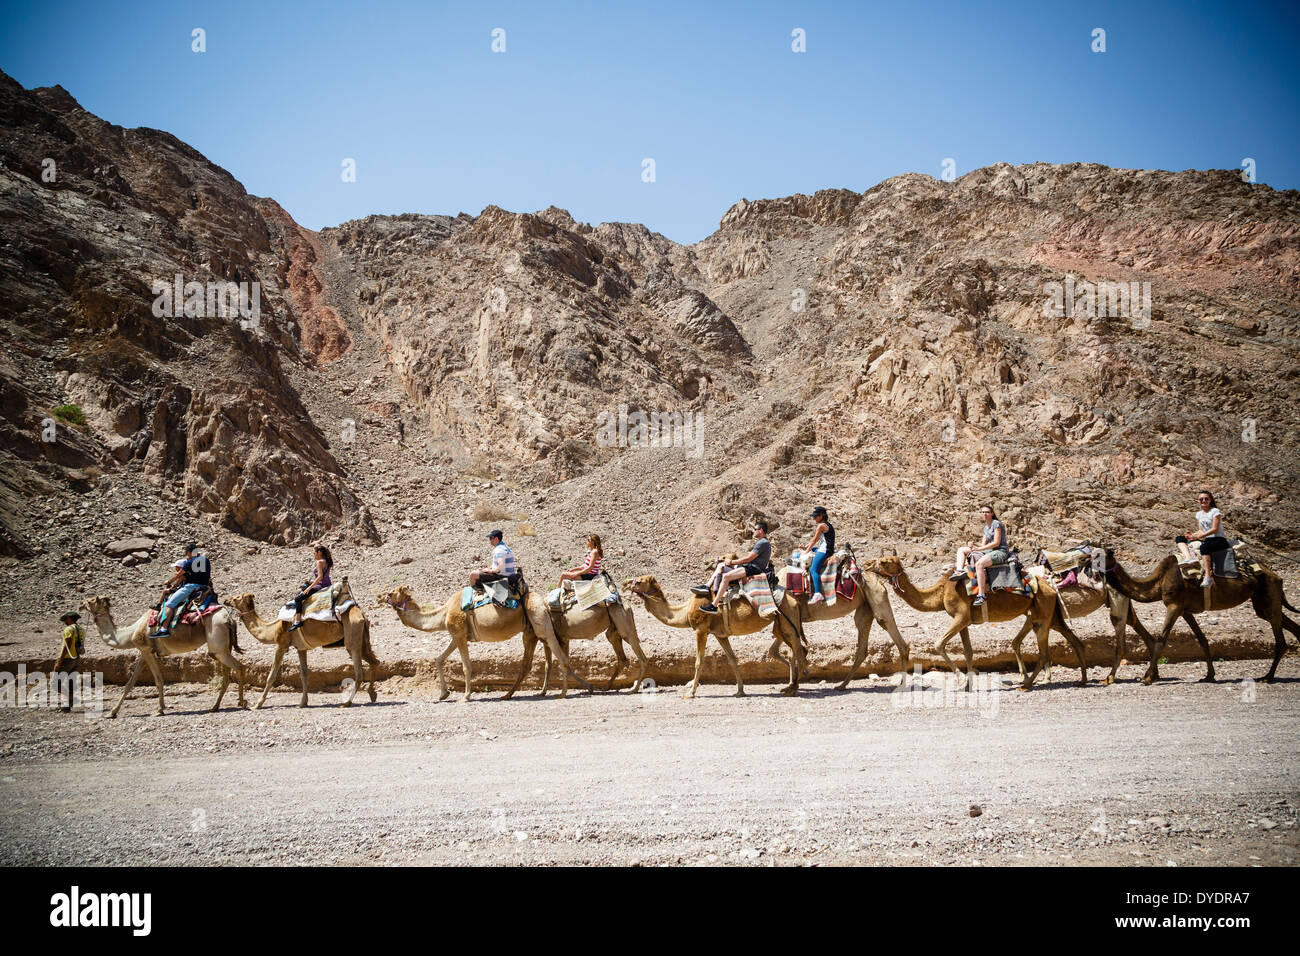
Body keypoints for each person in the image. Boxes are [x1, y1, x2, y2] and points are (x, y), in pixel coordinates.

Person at [700, 521, 773, 614]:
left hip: (753, 569)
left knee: (726, 577)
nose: (753, 531)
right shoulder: (763, 542)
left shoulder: (762, 543)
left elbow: (748, 559)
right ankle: (706, 586)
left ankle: (714, 605)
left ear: (761, 530)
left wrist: (731, 562)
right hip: (750, 566)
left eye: (755, 529)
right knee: (721, 565)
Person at [150, 543, 211, 639]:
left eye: (187, 553)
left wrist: (168, 581)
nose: (187, 555)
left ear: (190, 553)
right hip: (205, 586)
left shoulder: (189, 562)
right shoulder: (206, 560)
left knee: (170, 604)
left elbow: (178, 575)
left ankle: (163, 629)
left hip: (191, 586)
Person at [954, 506, 1009, 607]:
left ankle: (981, 595)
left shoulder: (996, 524)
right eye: (983, 512)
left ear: (992, 513)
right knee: (962, 550)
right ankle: (959, 570)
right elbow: (983, 545)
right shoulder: (985, 527)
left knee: (980, 564)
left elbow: (996, 543)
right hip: (989, 550)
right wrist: (974, 545)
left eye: (987, 512)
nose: (985, 514)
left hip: (1000, 551)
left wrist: (979, 549)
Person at [1176, 490, 1229, 588]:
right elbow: (1201, 530)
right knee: (1180, 538)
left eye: (1206, 498)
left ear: (1210, 500)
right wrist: (1192, 535)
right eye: (1201, 499)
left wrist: (1200, 536)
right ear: (1198, 501)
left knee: (1204, 547)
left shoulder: (1215, 512)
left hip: (1218, 539)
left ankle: (1208, 577)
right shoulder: (1199, 514)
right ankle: (1189, 558)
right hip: (1207, 539)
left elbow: (1215, 529)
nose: (1203, 500)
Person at [288, 545, 334, 631]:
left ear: (319, 553)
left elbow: (320, 577)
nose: (314, 555)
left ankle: (298, 621)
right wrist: (311, 582)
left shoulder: (319, 562)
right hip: (327, 584)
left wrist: (310, 588)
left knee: (298, 599)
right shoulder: (326, 561)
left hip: (321, 586)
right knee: (304, 586)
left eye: (314, 553)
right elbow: (324, 577)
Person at [804, 507, 836, 605]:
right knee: (812, 549)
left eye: (815, 516)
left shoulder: (821, 526)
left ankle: (818, 593)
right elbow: (818, 541)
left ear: (821, 516)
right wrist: (807, 547)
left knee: (813, 570)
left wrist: (806, 552)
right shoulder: (827, 525)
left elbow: (814, 540)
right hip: (826, 549)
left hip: (825, 550)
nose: (814, 519)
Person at [55, 611, 84, 712]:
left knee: (56, 684)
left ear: (69, 619)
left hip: (67, 659)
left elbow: (67, 645)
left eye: (65, 620)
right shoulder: (81, 629)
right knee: (70, 683)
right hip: (77, 659)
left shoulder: (68, 629)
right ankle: (67, 706)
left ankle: (71, 699)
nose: (64, 622)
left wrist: (59, 661)